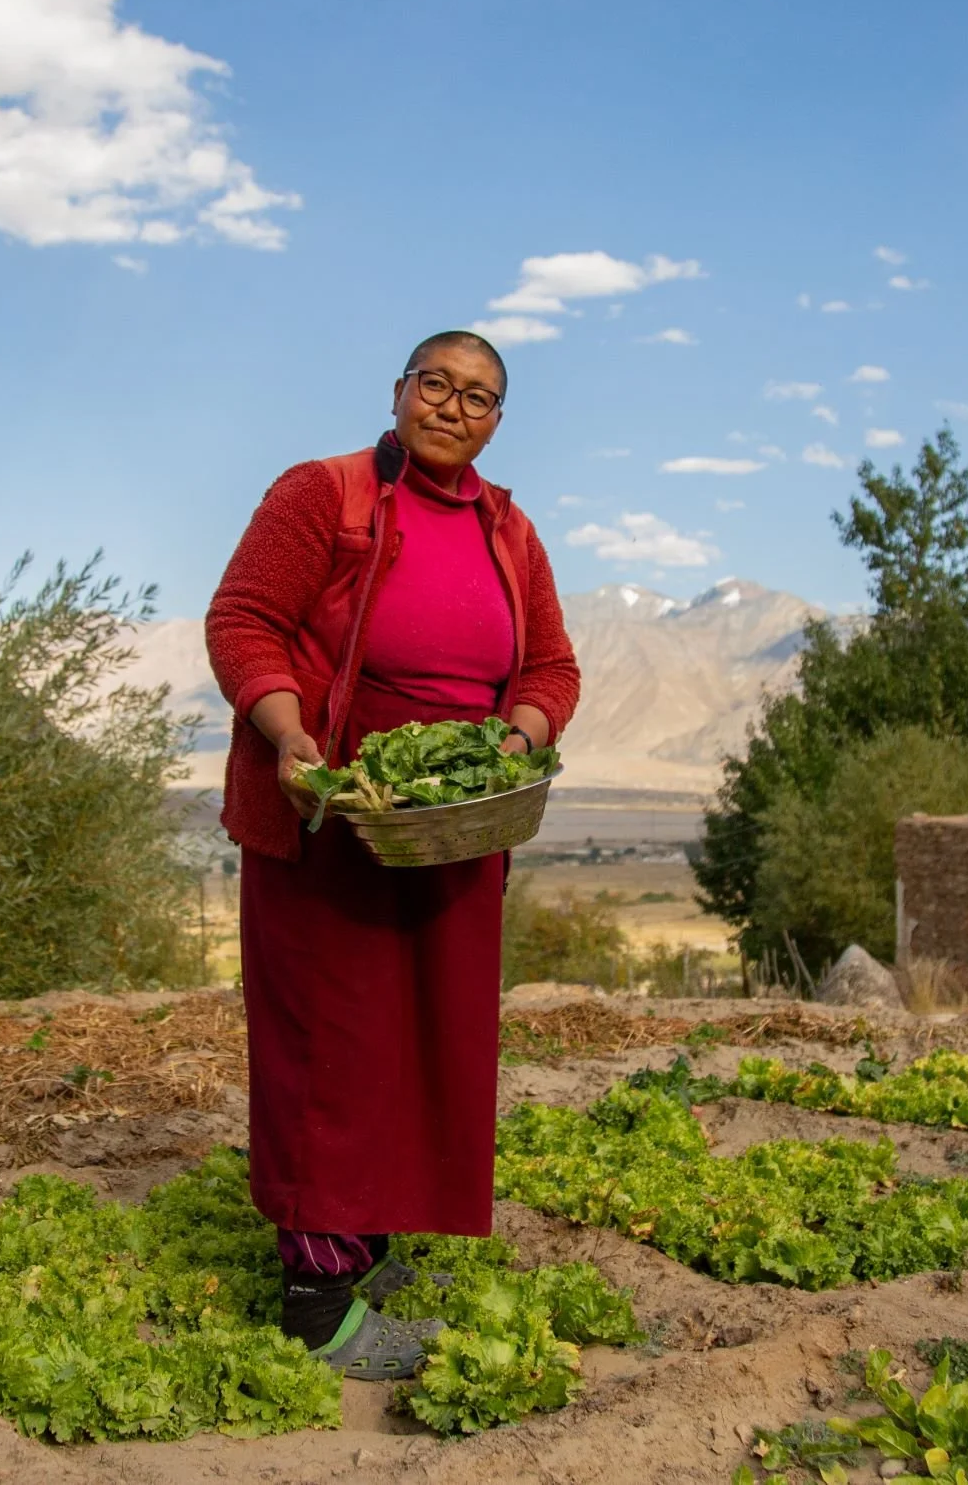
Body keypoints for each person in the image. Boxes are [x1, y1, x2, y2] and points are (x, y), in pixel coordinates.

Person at [204, 330, 579, 1378]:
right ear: (400, 391)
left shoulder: (510, 528)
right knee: (331, 1043)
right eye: (437, 385)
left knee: (421, 1044)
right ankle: (317, 1302)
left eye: (479, 397)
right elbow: (244, 622)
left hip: (448, 821)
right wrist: (288, 740)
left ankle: (365, 1244)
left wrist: (520, 737)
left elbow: (551, 664)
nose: (454, 407)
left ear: (498, 421)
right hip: (337, 807)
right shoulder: (321, 494)